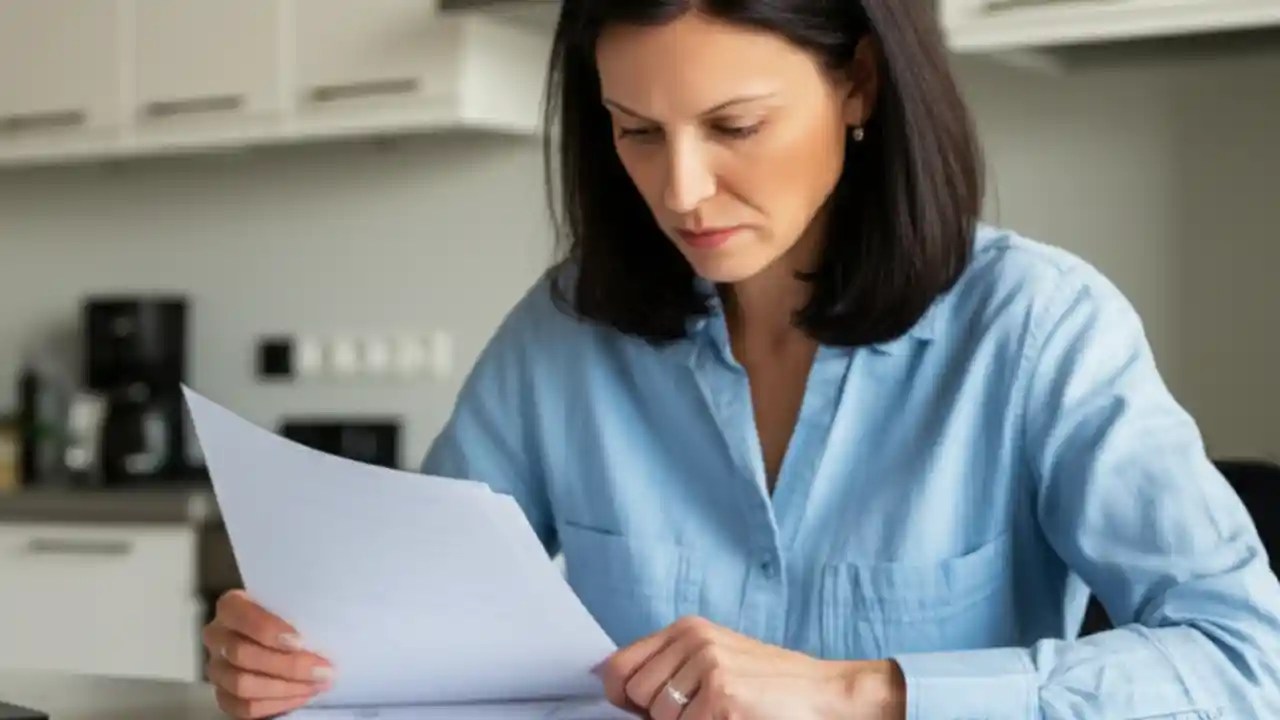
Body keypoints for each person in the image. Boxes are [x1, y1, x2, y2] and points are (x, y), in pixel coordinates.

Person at [200, 1, 1280, 718]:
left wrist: (859, 692)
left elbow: (1244, 663)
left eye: (733, 125)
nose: (678, 191)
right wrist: (301, 657)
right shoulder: (564, 332)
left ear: (857, 84)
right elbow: (419, 632)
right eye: (633, 131)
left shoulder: (1039, 327)